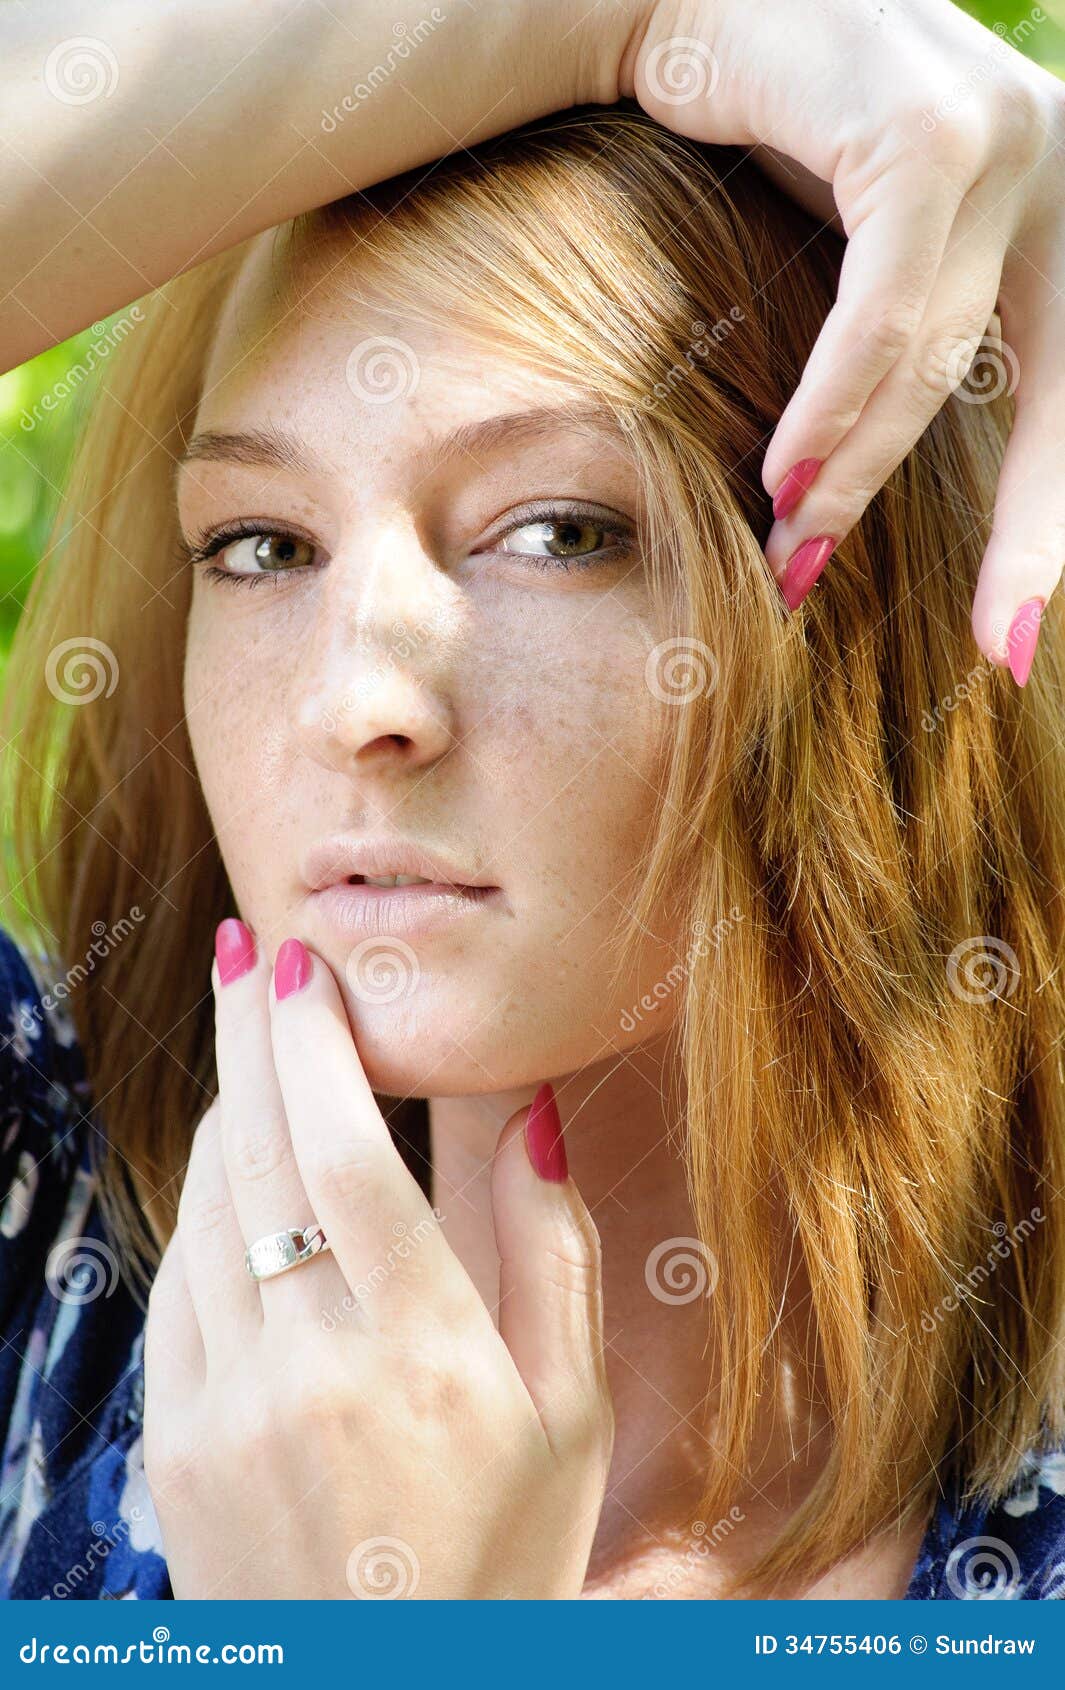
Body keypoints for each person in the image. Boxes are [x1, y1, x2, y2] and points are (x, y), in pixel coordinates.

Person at [2, 5, 1065, 1603]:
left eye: (557, 530)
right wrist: (621, 14)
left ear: (850, 613)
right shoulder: (48, 1219)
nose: (362, 704)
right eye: (261, 544)